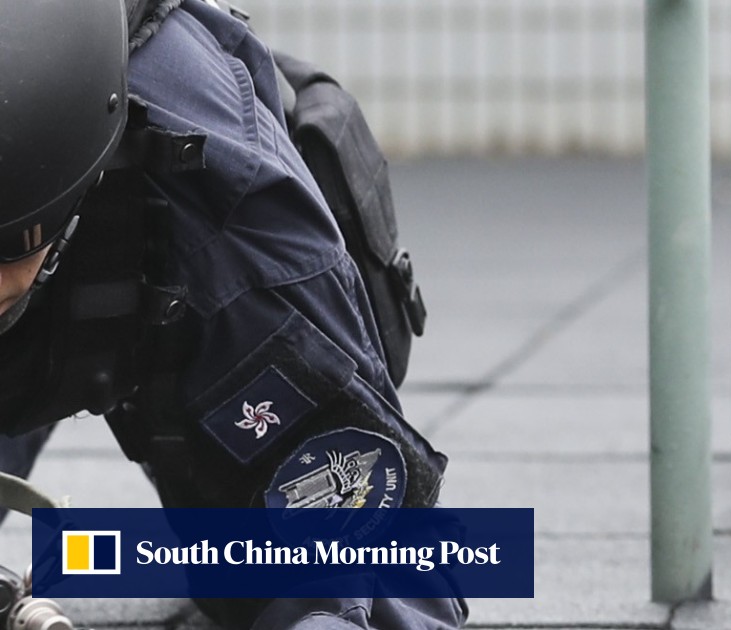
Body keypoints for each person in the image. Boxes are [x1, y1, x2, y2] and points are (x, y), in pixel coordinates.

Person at [0, 0, 464, 627]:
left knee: (277, 580)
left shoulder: (234, 227)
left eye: (5, 244)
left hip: (169, 280)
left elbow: (395, 579)